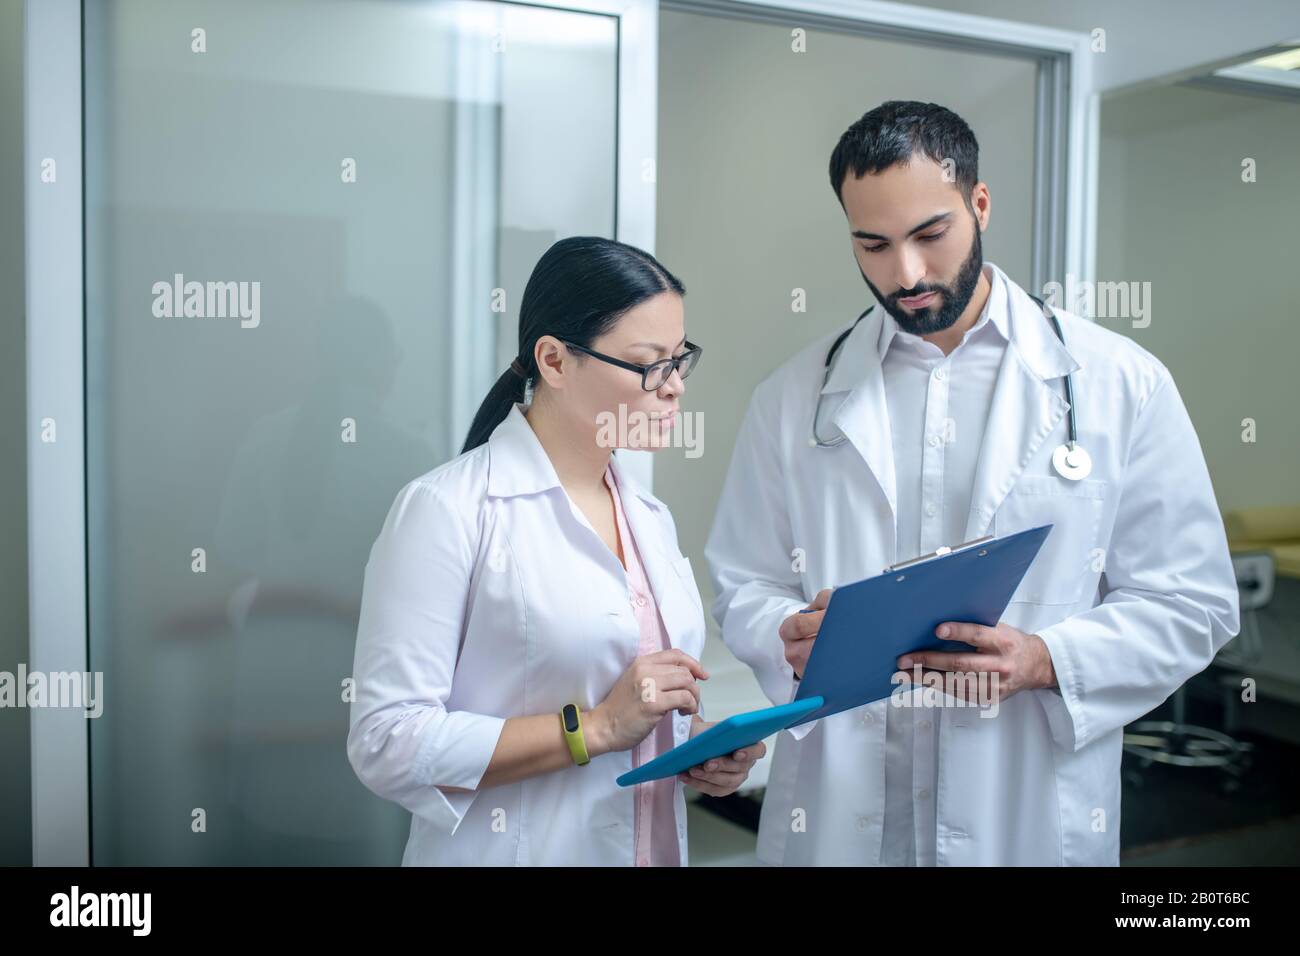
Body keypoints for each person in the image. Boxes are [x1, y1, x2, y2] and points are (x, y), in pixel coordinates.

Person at [705, 101, 1239, 866]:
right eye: (874, 245)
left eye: (931, 235)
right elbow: (744, 581)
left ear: (979, 204)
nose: (907, 274)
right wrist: (783, 637)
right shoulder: (793, 397)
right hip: (847, 811)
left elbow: (1191, 601)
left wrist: (1045, 660)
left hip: (1023, 806)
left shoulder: (1120, 384)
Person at [348, 235, 764, 866]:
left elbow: (635, 709)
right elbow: (386, 741)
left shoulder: (650, 519)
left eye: (680, 359)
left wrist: (694, 750)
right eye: (650, 364)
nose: (675, 386)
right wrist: (590, 730)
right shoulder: (447, 510)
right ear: (555, 361)